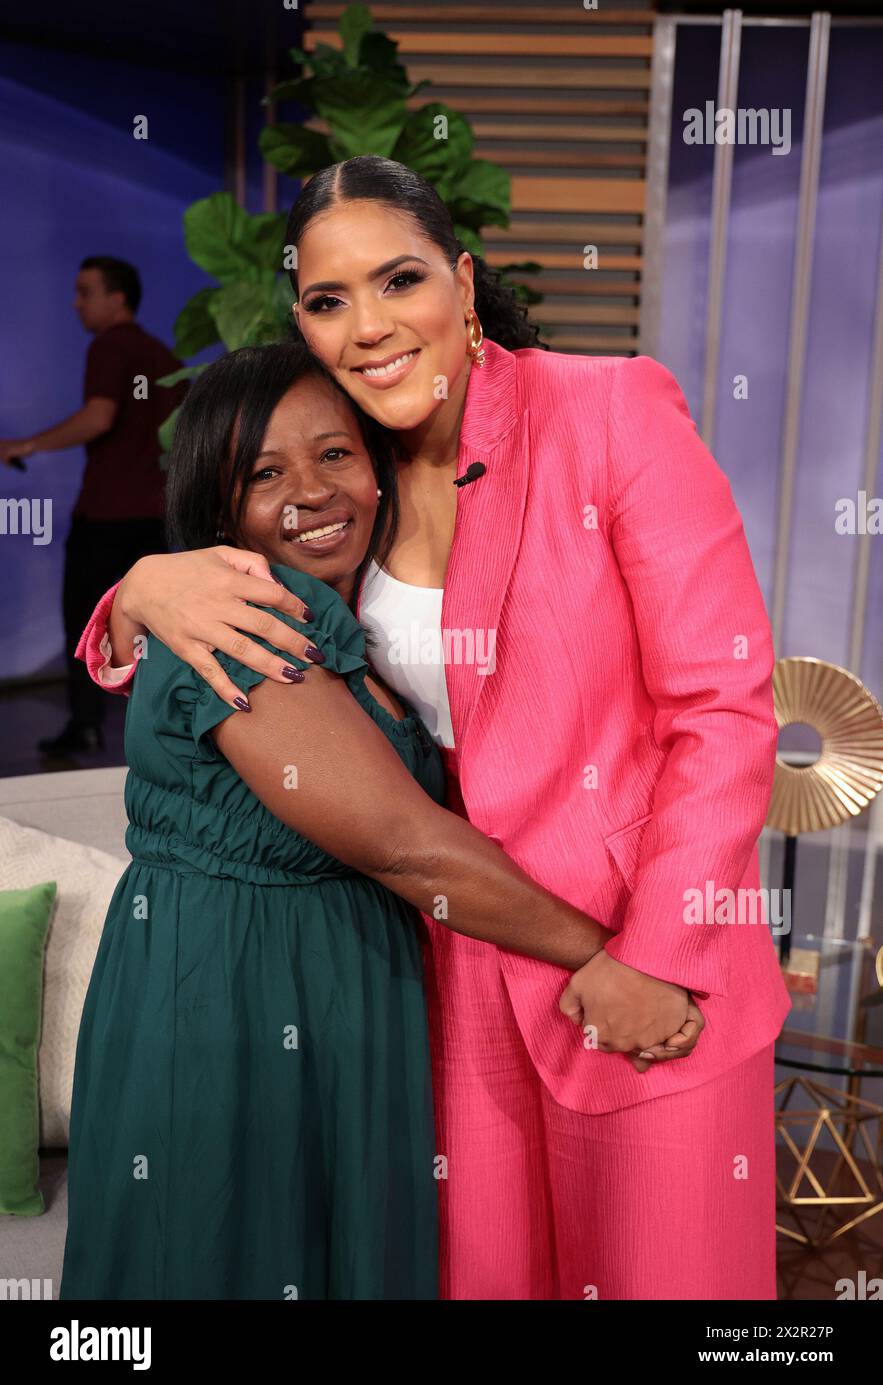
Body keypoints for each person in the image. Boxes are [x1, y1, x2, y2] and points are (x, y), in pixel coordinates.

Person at [75, 157, 790, 1301]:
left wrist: (651, 959)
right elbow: (233, 574)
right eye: (327, 300)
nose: (367, 327)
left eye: (397, 280)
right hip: (449, 974)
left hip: (648, 956)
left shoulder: (604, 411)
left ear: (460, 282)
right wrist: (140, 589)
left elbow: (723, 706)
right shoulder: (346, 462)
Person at [60, 337, 655, 1300]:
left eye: (335, 454)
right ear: (221, 510)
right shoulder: (241, 619)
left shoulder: (371, 623)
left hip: (340, 995)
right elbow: (405, 843)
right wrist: (606, 962)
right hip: (231, 1007)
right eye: (264, 473)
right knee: (223, 1253)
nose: (311, 491)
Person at [0, 256, 187, 755]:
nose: (75, 302)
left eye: (85, 292)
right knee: (158, 629)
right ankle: (166, 735)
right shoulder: (162, 355)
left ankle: (84, 725)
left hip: (106, 518)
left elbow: (99, 417)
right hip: (156, 518)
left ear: (116, 297)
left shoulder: (110, 346)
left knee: (87, 623)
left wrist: (25, 445)